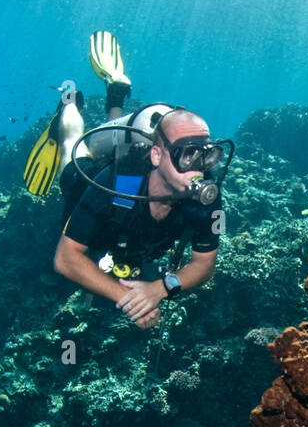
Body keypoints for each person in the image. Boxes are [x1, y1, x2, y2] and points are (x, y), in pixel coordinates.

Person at [23, 32, 233, 330]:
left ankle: (115, 95)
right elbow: (66, 258)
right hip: (97, 185)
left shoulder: (205, 195)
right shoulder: (115, 181)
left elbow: (204, 264)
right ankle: (68, 105)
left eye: (206, 156)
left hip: (131, 232)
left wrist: (158, 289)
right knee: (73, 145)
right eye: (186, 156)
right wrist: (128, 298)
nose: (197, 170)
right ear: (157, 155)